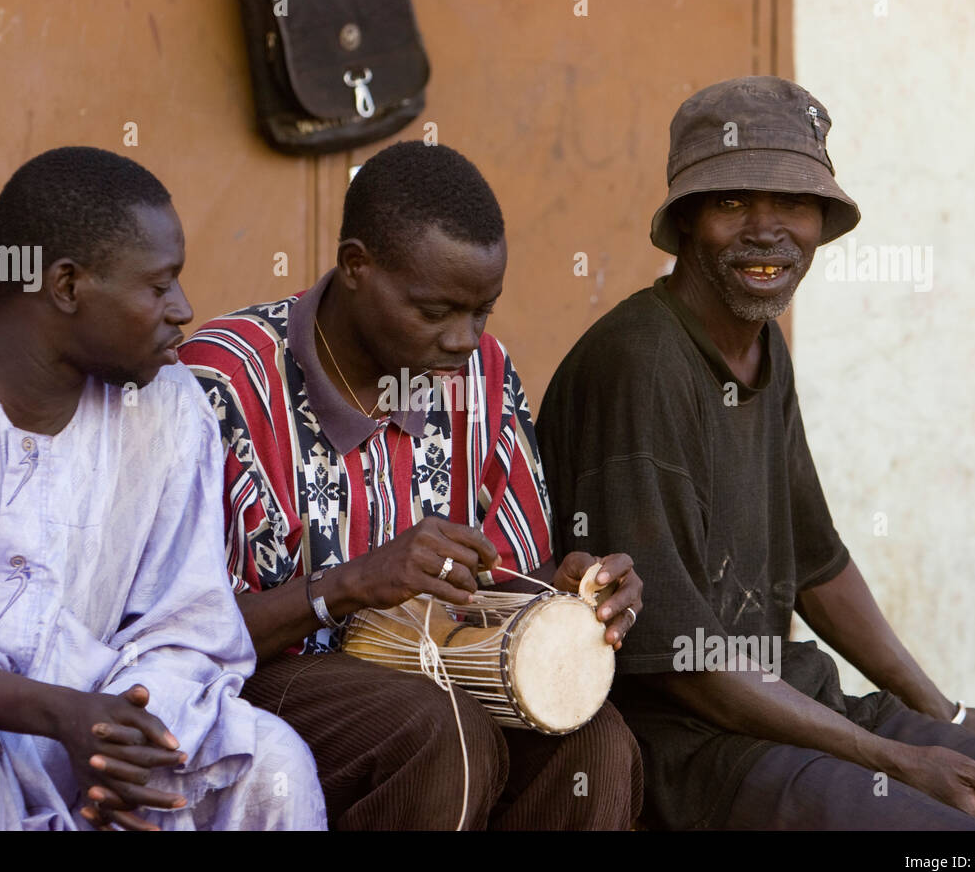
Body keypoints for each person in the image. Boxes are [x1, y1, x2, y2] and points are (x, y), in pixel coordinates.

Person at [537, 76, 975, 830]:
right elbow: (683, 664)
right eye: (732, 203)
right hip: (690, 751)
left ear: (822, 221)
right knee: (969, 851)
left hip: (793, 709)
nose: (767, 230)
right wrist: (894, 759)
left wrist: (946, 715)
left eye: (792, 203)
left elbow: (819, 565)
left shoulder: (763, 346)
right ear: (689, 220)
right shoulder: (641, 362)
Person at [0, 146, 326, 831]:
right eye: (159, 285)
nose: (183, 309)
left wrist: (124, 741)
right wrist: (61, 716)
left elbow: (189, 627)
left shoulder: (171, 410)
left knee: (273, 763)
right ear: (65, 286)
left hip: (108, 726)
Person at [179, 141, 644, 830]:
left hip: (442, 671)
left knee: (596, 744)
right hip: (263, 684)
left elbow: (506, 579)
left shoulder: (483, 373)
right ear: (356, 266)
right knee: (440, 735)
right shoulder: (225, 382)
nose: (463, 339)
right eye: (434, 312)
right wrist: (351, 583)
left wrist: (567, 590)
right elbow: (180, 637)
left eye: (482, 309)